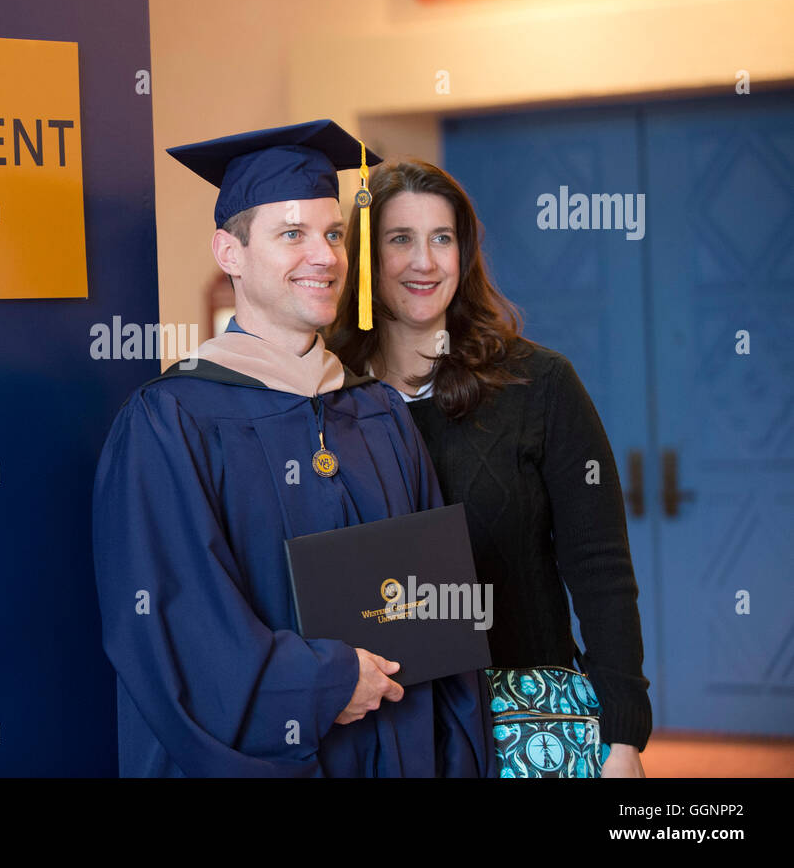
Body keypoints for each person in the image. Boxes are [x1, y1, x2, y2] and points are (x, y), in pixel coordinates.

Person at [91, 121, 495, 777]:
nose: (325, 256)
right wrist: (328, 680)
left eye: (333, 233)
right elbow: (176, 632)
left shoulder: (377, 412)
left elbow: (438, 616)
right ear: (230, 251)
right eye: (291, 234)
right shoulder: (169, 424)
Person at [326, 159, 651, 778]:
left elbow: (601, 567)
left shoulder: (539, 384)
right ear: (368, 259)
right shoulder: (327, 398)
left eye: (442, 239)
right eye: (400, 239)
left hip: (526, 724)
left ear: (464, 253)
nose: (425, 261)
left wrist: (624, 736)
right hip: (384, 725)